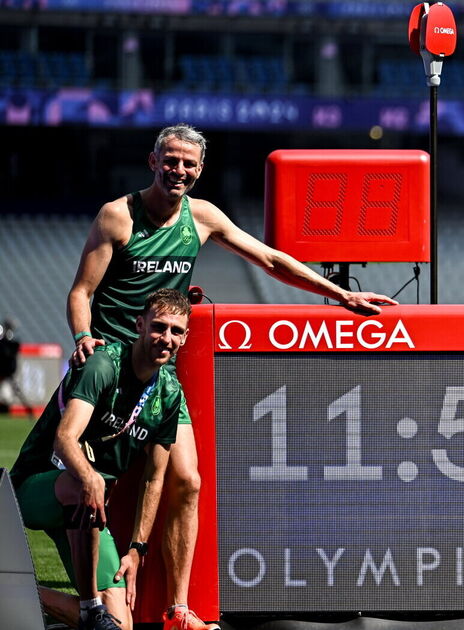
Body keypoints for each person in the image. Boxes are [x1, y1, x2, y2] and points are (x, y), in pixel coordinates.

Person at [67, 123, 398, 630]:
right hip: (110, 369)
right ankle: (89, 597)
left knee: (189, 482)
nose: (179, 170)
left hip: (160, 373)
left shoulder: (202, 217)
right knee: (83, 486)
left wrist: (341, 295)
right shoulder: (117, 216)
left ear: (200, 170)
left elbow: (268, 258)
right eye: (170, 160)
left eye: (189, 164)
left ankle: (178, 608)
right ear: (153, 161)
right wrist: (83, 337)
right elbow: (80, 292)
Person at [10, 290, 192, 630]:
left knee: (120, 625)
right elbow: (65, 439)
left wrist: (137, 549)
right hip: (40, 487)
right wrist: (91, 477)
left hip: (89, 511)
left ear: (185, 338)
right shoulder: (104, 364)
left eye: (176, 331)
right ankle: (91, 606)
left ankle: (25, 598)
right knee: (84, 482)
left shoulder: (169, 394)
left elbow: (154, 478)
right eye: (159, 327)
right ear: (140, 325)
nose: (166, 338)